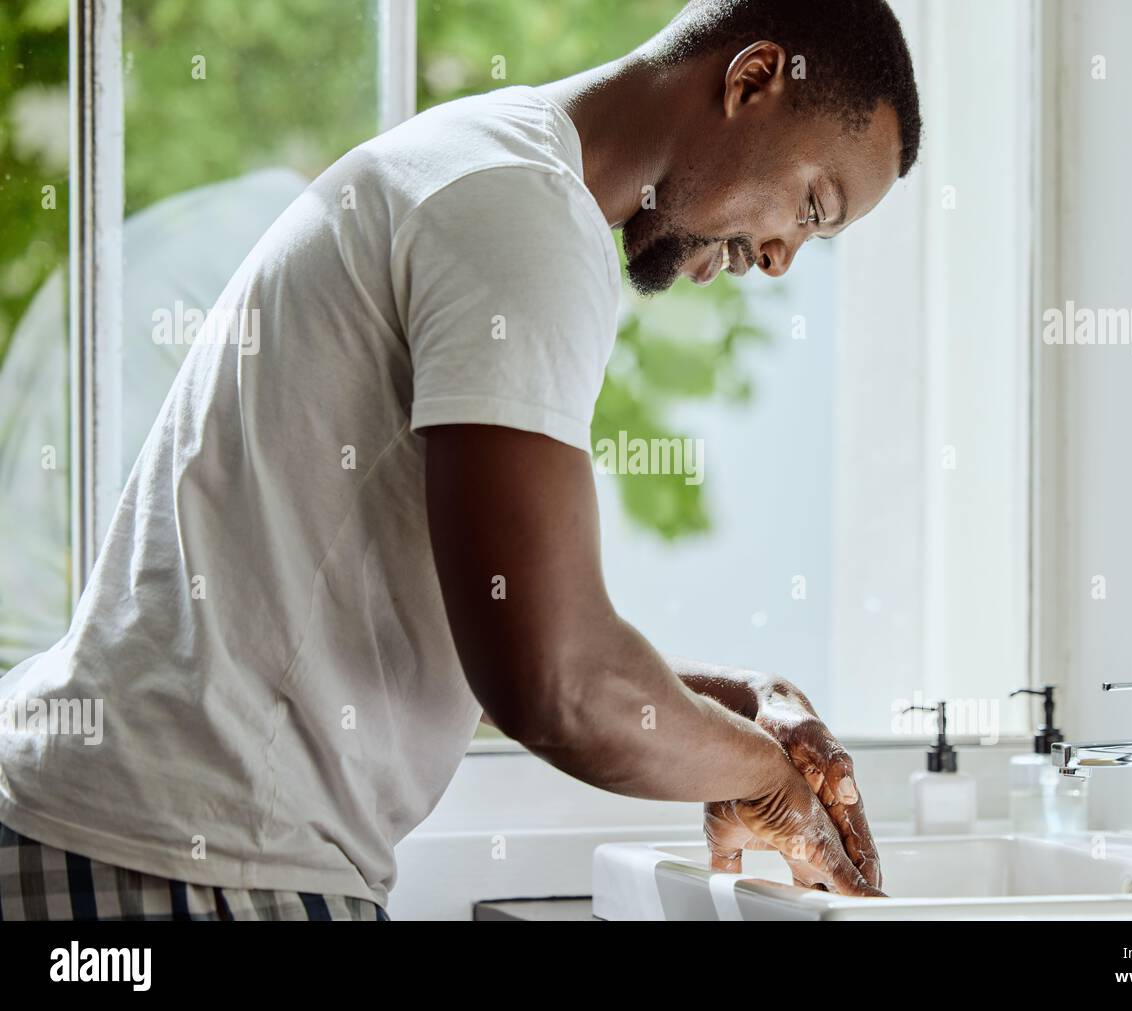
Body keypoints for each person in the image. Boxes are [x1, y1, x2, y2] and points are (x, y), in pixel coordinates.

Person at [0, 0, 921, 920]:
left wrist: (739, 709)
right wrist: (763, 779)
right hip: (178, 861)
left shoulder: (485, 167)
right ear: (753, 79)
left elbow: (488, 631)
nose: (777, 259)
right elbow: (551, 684)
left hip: (137, 833)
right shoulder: (524, 219)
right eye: (811, 205)